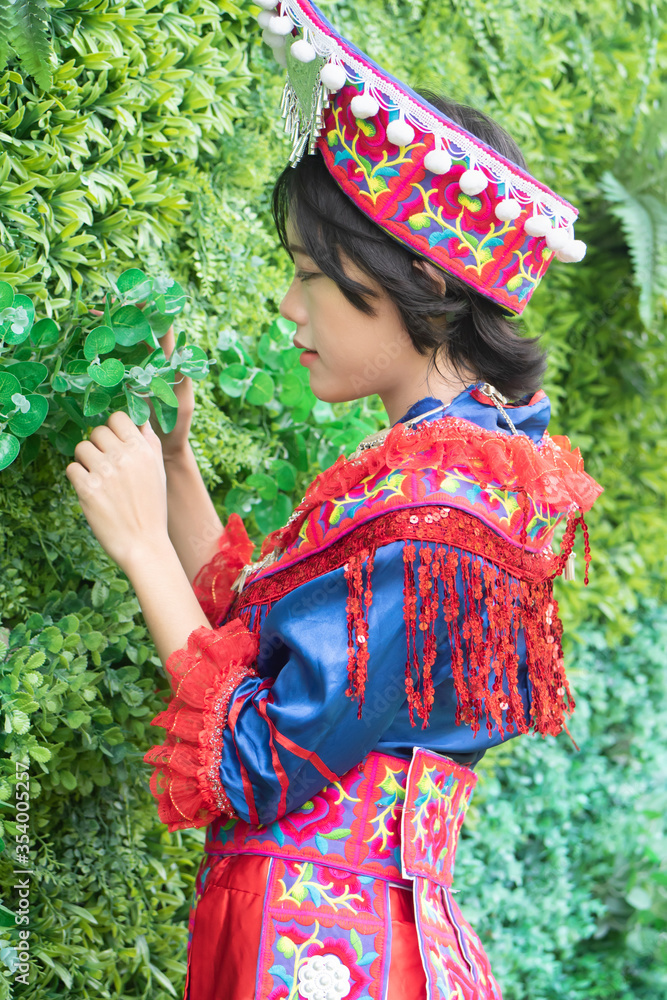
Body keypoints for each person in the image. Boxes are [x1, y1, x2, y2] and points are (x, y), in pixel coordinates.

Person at [65, 3, 603, 997]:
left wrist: (143, 546)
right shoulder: (441, 471)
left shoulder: (441, 508)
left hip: (323, 955)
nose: (287, 304)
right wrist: (179, 471)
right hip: (325, 933)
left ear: (421, 276)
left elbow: (254, 757)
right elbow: (250, 631)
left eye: (312, 274)